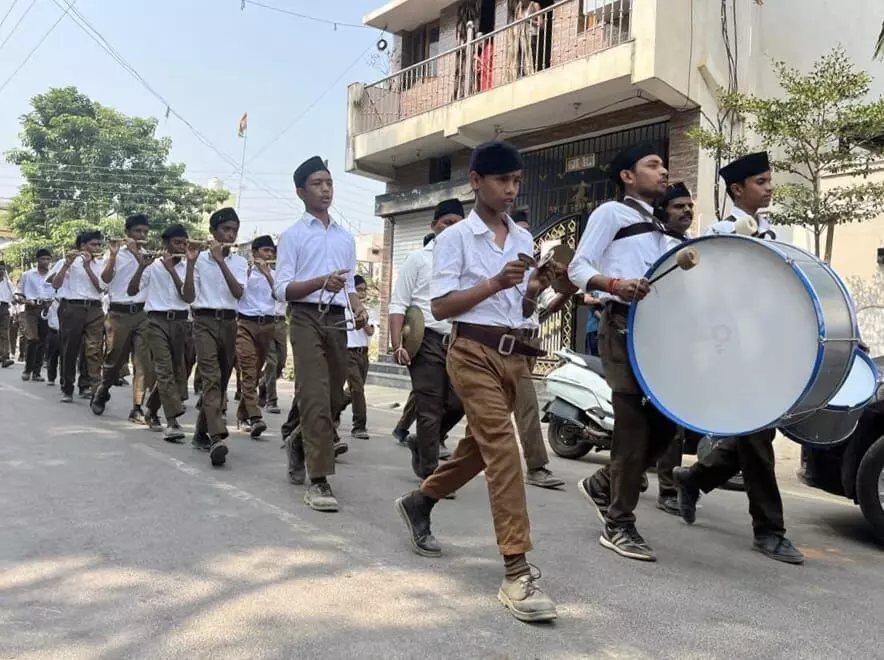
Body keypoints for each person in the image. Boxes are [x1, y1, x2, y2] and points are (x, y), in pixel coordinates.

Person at [395, 140, 570, 623]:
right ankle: (517, 569)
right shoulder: (452, 240)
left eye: (516, 181)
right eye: (502, 181)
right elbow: (441, 308)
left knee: (477, 448)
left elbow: (522, 308)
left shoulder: (521, 238)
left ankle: (419, 501)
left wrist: (535, 289)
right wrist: (496, 281)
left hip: (515, 355)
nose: (512, 190)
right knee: (503, 449)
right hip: (470, 352)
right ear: (476, 182)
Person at [672, 152, 805, 565]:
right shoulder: (719, 232)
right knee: (757, 434)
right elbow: (711, 289)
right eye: (761, 182)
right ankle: (769, 530)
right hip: (733, 347)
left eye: (768, 181)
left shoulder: (773, 232)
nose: (769, 188)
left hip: (764, 345)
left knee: (757, 433)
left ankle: (693, 478)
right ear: (737, 189)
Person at [568, 141, 675, 562]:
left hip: (659, 336)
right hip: (621, 327)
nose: (663, 172)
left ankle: (602, 484)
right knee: (632, 427)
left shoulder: (663, 228)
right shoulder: (610, 214)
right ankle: (619, 523)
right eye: (653, 165)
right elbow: (579, 267)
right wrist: (615, 285)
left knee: (667, 426)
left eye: (664, 166)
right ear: (628, 176)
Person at [274, 155, 368, 512]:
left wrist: (357, 307)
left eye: (329, 182)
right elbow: (282, 289)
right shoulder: (294, 236)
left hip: (338, 321)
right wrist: (318, 282)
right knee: (313, 396)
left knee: (332, 400)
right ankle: (319, 480)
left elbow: (349, 285)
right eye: (317, 183)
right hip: (305, 317)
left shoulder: (345, 237)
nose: (326, 189)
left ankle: (297, 441)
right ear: (301, 191)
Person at [390, 199, 466, 480]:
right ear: (433, 226)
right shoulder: (418, 260)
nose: (451, 229)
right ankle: (430, 472)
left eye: (458, 224)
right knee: (430, 406)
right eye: (446, 223)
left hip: (457, 342)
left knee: (459, 404)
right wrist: (397, 344)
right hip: (425, 341)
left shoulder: (466, 262)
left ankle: (421, 442)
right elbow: (398, 303)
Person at [183, 207, 247, 467]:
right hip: (204, 321)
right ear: (212, 232)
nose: (230, 235)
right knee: (210, 377)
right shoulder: (197, 260)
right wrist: (189, 262)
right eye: (225, 230)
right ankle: (217, 435)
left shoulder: (240, 262)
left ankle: (200, 432)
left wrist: (221, 261)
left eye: (234, 230)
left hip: (229, 322)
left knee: (220, 380)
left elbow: (238, 293)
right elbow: (187, 296)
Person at [510, 211, 569, 490]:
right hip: (508, 344)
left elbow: (550, 306)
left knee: (510, 408)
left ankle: (446, 457)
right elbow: (522, 309)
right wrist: (530, 289)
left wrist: (568, 290)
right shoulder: (504, 269)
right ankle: (536, 466)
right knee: (527, 405)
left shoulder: (536, 270)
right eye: (518, 231)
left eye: (527, 233)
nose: (524, 238)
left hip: (530, 343)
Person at [648, 182, 695, 516]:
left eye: (689, 206)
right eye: (679, 206)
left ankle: (667, 486)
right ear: (664, 211)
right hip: (655, 340)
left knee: (672, 421)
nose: (687, 211)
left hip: (684, 341)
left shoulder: (695, 246)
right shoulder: (655, 245)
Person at [91, 214, 155, 424]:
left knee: (142, 362)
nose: (142, 236)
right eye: (137, 231)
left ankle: (137, 407)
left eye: (145, 232)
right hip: (118, 313)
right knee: (114, 359)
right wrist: (112, 255)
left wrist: (140, 258)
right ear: (128, 233)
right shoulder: (115, 254)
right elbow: (104, 281)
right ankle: (104, 387)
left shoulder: (148, 257)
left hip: (142, 313)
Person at [130, 224, 191, 440]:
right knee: (164, 369)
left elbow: (187, 296)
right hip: (156, 321)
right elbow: (132, 290)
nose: (182, 247)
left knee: (176, 371)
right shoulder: (152, 266)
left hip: (182, 323)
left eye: (184, 243)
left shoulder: (188, 266)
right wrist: (141, 267)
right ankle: (173, 420)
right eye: (177, 243)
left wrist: (173, 270)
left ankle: (152, 410)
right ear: (166, 244)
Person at [50, 231, 106, 403]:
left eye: (99, 244)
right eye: (93, 244)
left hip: (95, 308)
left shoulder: (101, 263)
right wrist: (67, 264)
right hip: (72, 307)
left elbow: (100, 288)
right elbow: (55, 284)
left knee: (93, 349)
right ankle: (67, 387)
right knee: (70, 348)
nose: (97, 248)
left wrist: (88, 266)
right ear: (82, 246)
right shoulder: (66, 261)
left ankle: (88, 385)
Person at [235, 235, 278, 440]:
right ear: (254, 253)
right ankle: (255, 417)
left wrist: (267, 274)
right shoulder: (244, 273)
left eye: (271, 251)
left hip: (268, 325)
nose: (269, 255)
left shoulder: (276, 275)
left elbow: (280, 295)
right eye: (265, 251)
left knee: (260, 369)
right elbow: (237, 292)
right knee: (249, 370)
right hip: (246, 324)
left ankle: (243, 414)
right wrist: (254, 271)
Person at [343, 274, 375, 439]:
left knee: (354, 390)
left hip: (364, 353)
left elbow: (370, 331)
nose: (362, 293)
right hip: (348, 352)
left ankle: (332, 408)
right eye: (358, 290)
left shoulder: (368, 310)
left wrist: (363, 319)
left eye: (364, 290)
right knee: (358, 389)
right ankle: (359, 426)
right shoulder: (343, 309)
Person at [16, 249, 54, 382]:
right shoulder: (28, 275)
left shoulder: (54, 275)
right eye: (43, 259)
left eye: (48, 259)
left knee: (43, 340)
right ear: (37, 260)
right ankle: (27, 369)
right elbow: (18, 295)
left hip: (47, 308)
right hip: (31, 308)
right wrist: (27, 300)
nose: (46, 262)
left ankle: (37, 372)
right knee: (32, 338)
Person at [259, 290, 288, 415]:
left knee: (281, 361)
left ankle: (263, 383)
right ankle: (272, 400)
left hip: (281, 322)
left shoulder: (285, 274)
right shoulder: (260, 273)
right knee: (272, 362)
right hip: (267, 320)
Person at [42, 299, 60, 386]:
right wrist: (46, 309)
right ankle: (51, 377)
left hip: (65, 333)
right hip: (53, 332)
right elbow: (44, 316)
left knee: (65, 358)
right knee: (52, 357)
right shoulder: (52, 303)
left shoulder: (69, 303)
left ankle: (64, 380)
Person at [0, 261, 14, 368]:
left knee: (4, 333)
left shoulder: (7, 283)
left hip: (4, 308)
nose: (1, 271)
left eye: (3, 269)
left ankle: (5, 357)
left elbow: (14, 295)